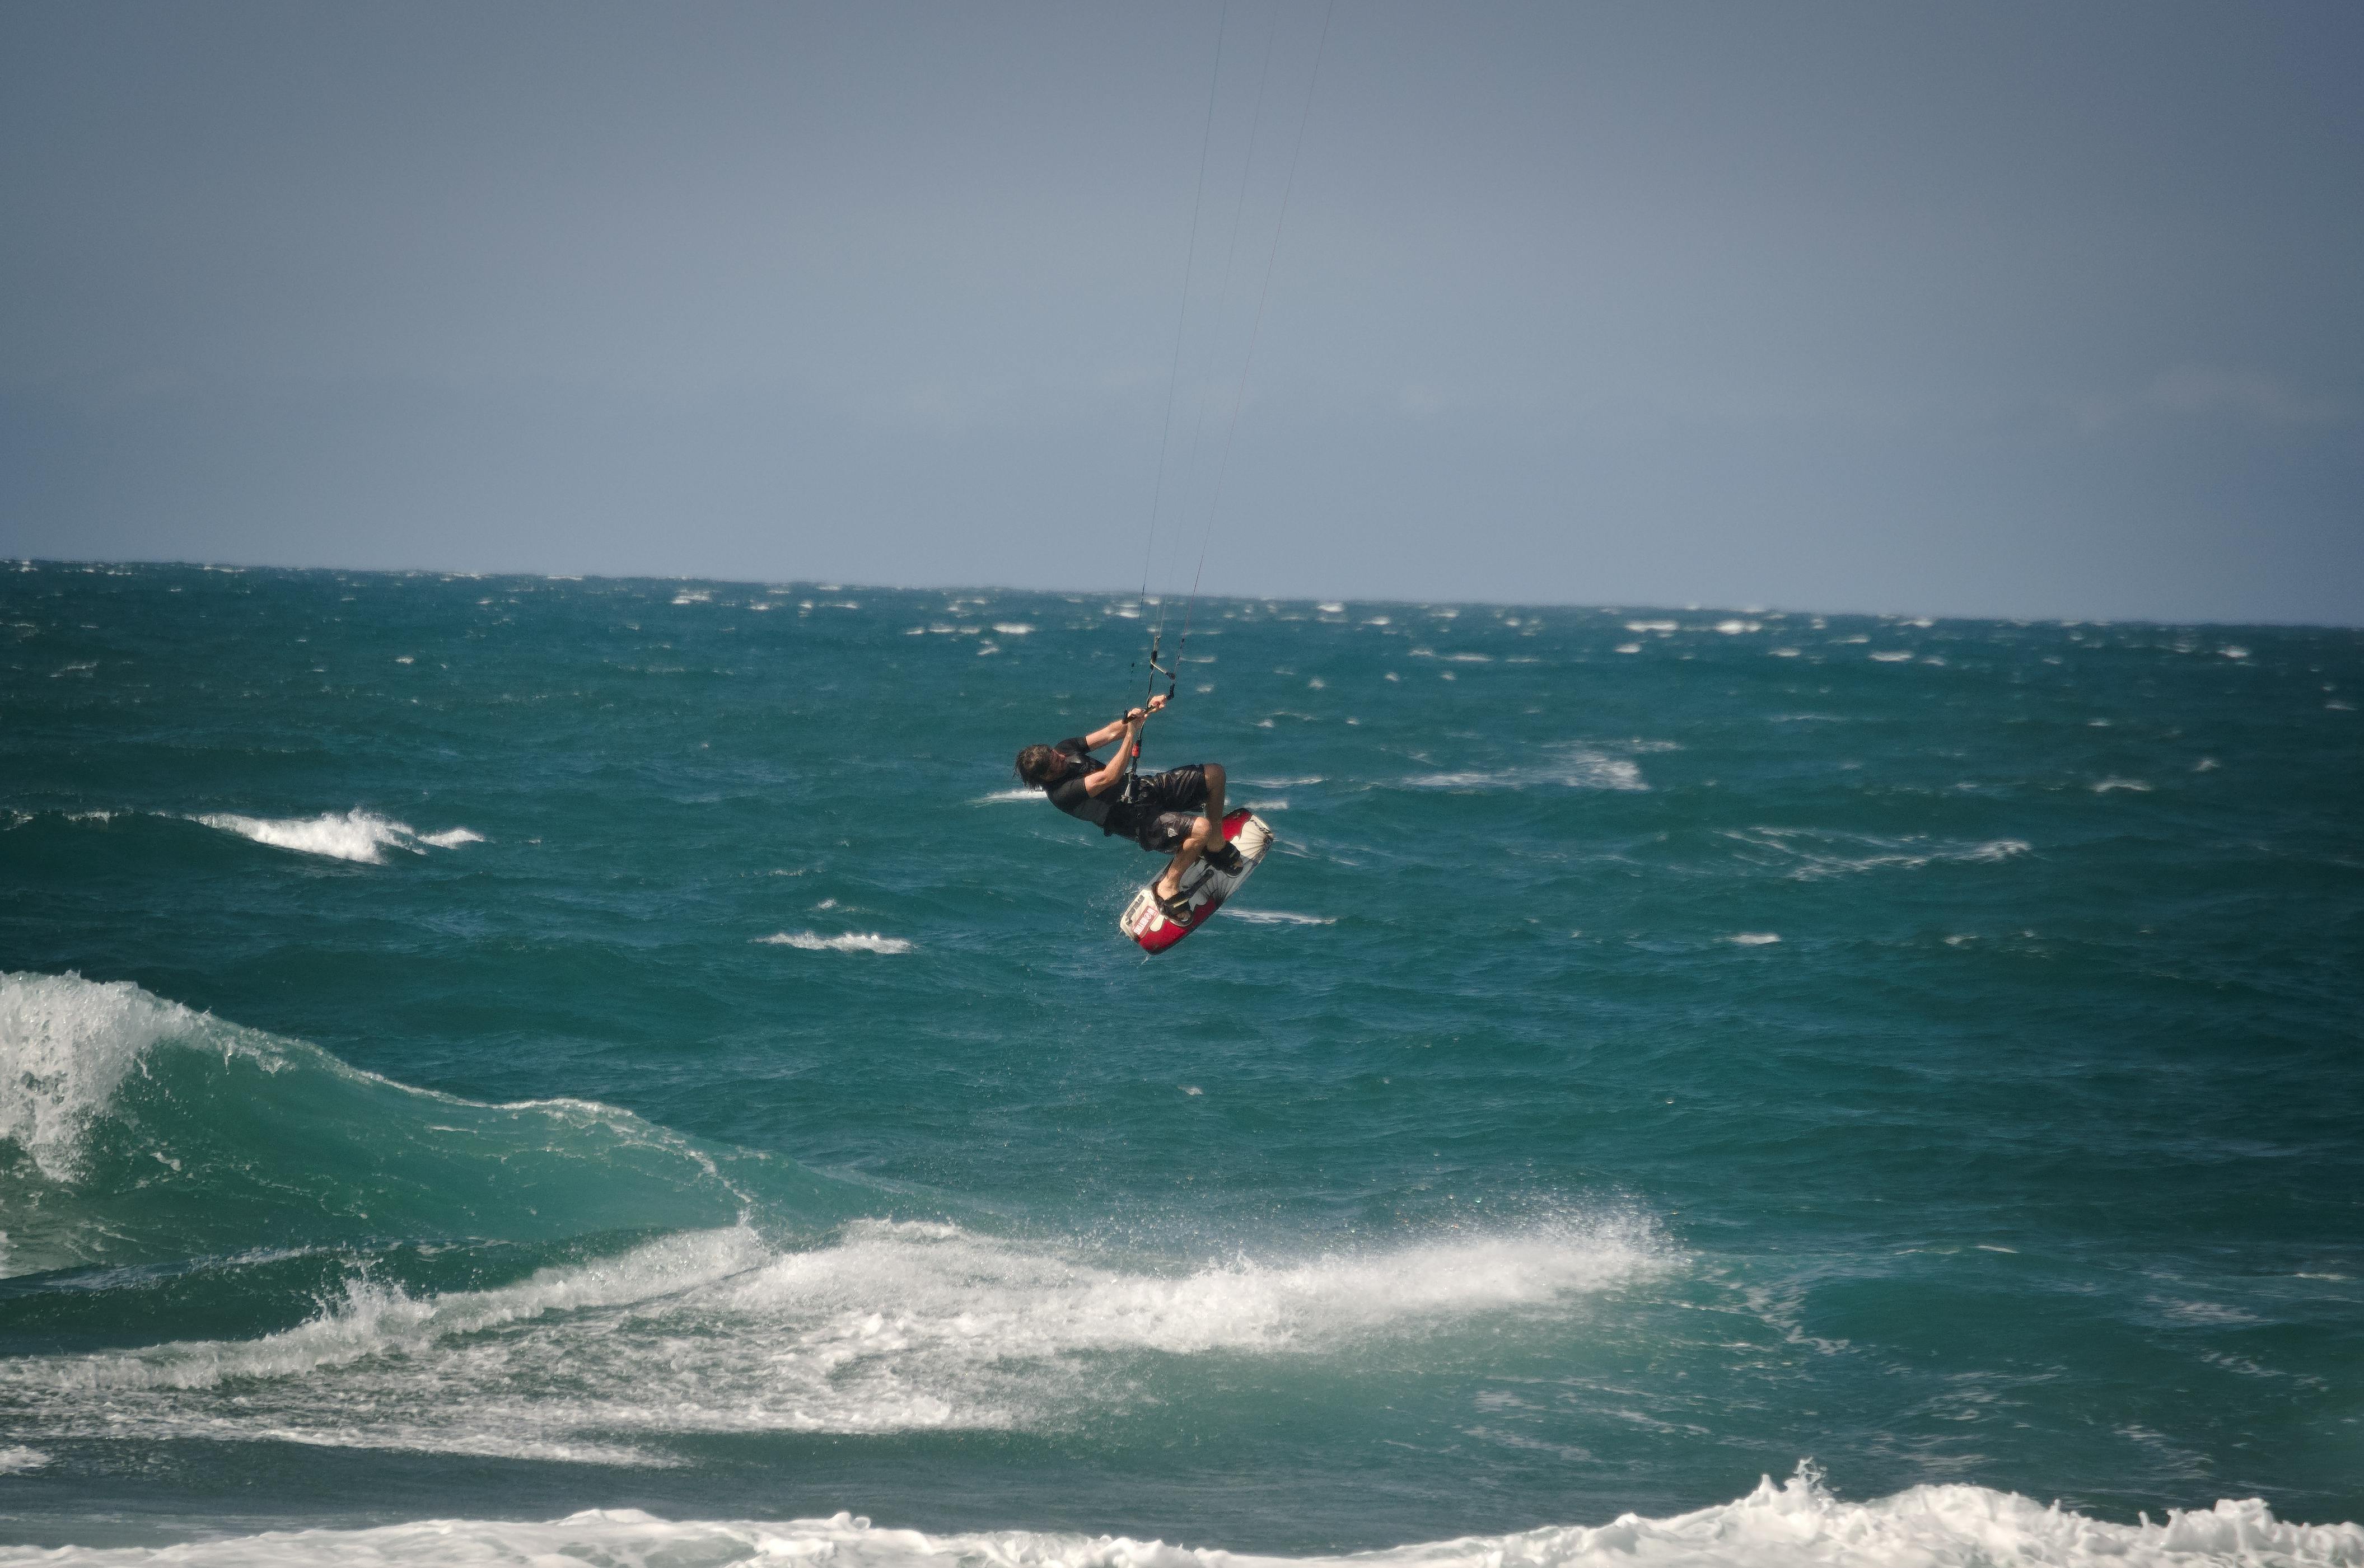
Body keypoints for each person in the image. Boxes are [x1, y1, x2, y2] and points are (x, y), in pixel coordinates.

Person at [1015, 693, 1243, 920]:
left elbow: (1111, 733)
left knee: (1214, 774)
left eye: (1056, 754)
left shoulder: (1064, 749)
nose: (1061, 758)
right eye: (1056, 762)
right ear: (1047, 776)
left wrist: (1143, 713)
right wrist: (1132, 735)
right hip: (1131, 819)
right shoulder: (1061, 794)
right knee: (1200, 828)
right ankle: (1168, 886)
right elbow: (1109, 777)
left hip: (1142, 789)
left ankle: (1215, 845)